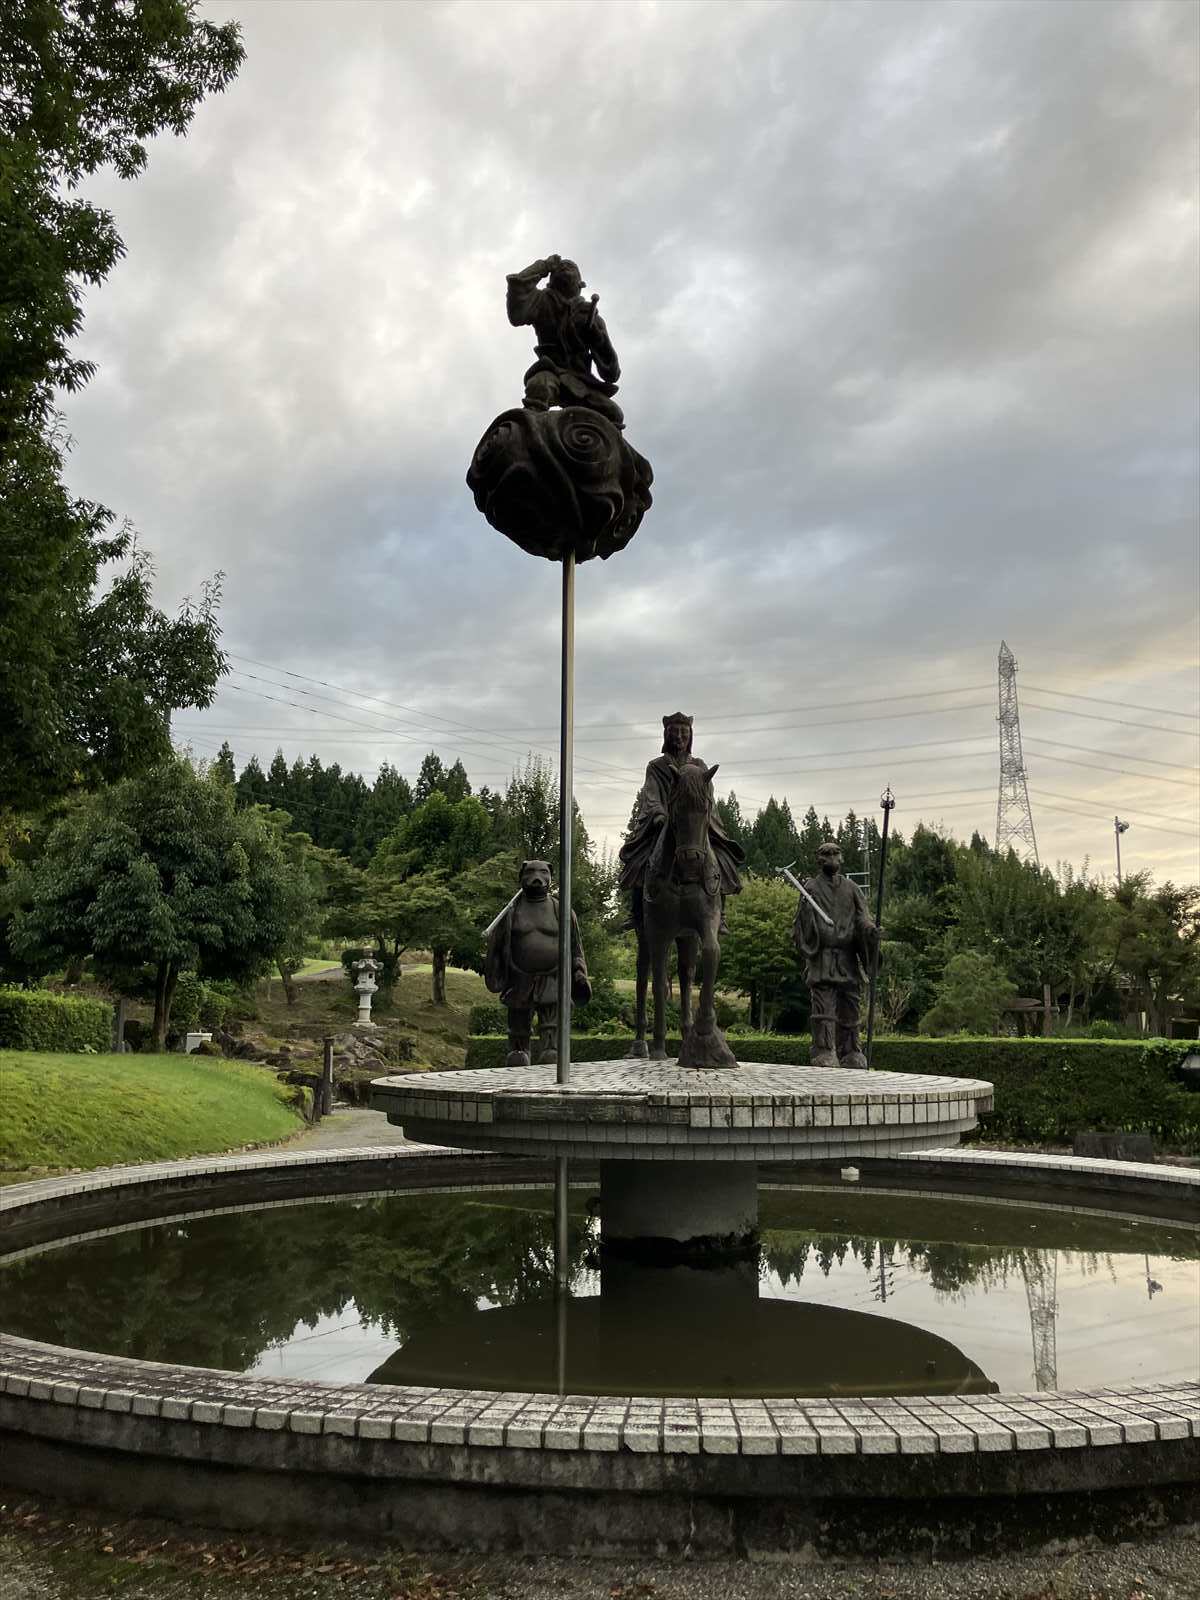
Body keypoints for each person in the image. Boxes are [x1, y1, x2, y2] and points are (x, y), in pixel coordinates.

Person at [619, 712, 744, 933]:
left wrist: (703, 816)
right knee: (639, 858)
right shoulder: (656, 766)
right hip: (665, 822)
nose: (678, 736)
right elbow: (651, 795)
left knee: (722, 855)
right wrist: (658, 813)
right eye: (674, 732)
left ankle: (720, 914)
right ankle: (636, 912)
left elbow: (707, 794)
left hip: (694, 821)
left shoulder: (699, 765)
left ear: (690, 736)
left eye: (683, 732)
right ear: (666, 735)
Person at [484, 859, 591, 1067]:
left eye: (543, 872)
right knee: (518, 1025)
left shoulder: (562, 910)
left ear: (550, 877)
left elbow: (576, 946)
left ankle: (551, 1049)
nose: (537, 877)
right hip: (519, 978)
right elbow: (496, 946)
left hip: (553, 977)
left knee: (552, 1028)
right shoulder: (510, 912)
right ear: (522, 877)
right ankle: (518, 1048)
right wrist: (494, 968)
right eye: (531, 872)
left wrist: (579, 970)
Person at [505, 255, 624, 427]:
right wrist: (543, 266)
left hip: (582, 381)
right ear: (551, 281)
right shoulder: (542, 300)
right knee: (539, 387)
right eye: (560, 267)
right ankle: (530, 432)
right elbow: (518, 305)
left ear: (580, 284)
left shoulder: (591, 316)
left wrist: (599, 339)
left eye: (571, 267)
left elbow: (612, 374)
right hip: (551, 370)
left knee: (613, 414)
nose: (565, 267)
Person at [792, 840, 879, 1070]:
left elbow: (863, 917)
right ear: (818, 860)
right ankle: (824, 1049)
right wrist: (807, 913)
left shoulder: (852, 889)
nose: (831, 858)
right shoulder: (810, 888)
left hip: (847, 958)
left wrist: (870, 930)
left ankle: (851, 1050)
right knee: (823, 1008)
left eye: (835, 854)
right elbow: (802, 924)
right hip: (823, 957)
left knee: (851, 1005)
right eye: (825, 854)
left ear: (841, 859)